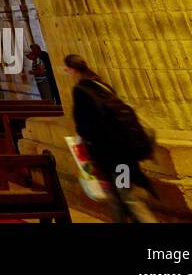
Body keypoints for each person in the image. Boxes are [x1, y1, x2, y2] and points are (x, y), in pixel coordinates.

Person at [65, 54, 156, 222]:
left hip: (114, 156)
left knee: (129, 197)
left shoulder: (81, 90)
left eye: (67, 70)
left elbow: (84, 124)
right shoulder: (102, 86)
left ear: (71, 70)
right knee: (117, 199)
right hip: (121, 153)